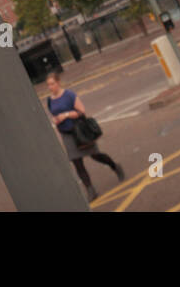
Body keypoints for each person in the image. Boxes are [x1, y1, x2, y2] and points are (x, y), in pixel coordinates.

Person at [45, 70, 124, 201]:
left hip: (79, 131)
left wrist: (66, 115)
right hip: (67, 134)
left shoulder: (69, 95)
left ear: (58, 82)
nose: (50, 87)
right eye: (48, 85)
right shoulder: (50, 100)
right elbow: (53, 114)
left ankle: (115, 166)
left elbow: (81, 111)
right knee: (77, 163)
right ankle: (90, 190)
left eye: (52, 84)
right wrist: (56, 119)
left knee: (95, 155)